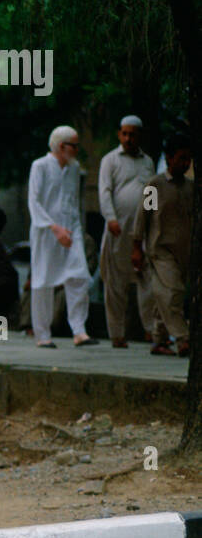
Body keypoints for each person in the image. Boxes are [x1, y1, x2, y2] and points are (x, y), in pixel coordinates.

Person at [27, 125, 97, 348]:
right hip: (45, 232)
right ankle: (43, 335)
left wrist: (74, 231)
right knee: (43, 281)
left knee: (79, 276)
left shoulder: (75, 169)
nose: (77, 150)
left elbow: (73, 203)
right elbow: (34, 201)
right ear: (60, 146)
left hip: (71, 231)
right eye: (73, 146)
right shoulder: (40, 166)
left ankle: (79, 331)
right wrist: (54, 228)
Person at [98, 115, 158, 347]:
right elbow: (104, 192)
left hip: (142, 231)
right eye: (124, 133)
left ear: (139, 136)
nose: (128, 138)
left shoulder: (148, 162)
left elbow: (152, 193)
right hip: (118, 231)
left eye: (132, 134)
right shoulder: (109, 160)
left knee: (148, 281)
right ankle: (117, 334)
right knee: (115, 283)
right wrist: (111, 218)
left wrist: (152, 220)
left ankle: (152, 332)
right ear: (119, 134)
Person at [132, 133, 193, 357]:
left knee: (164, 297)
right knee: (173, 292)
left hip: (183, 252)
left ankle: (158, 340)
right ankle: (182, 337)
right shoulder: (155, 185)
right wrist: (137, 247)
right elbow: (143, 217)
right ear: (169, 158)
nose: (185, 163)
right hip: (160, 250)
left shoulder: (191, 188)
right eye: (181, 158)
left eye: (189, 159)